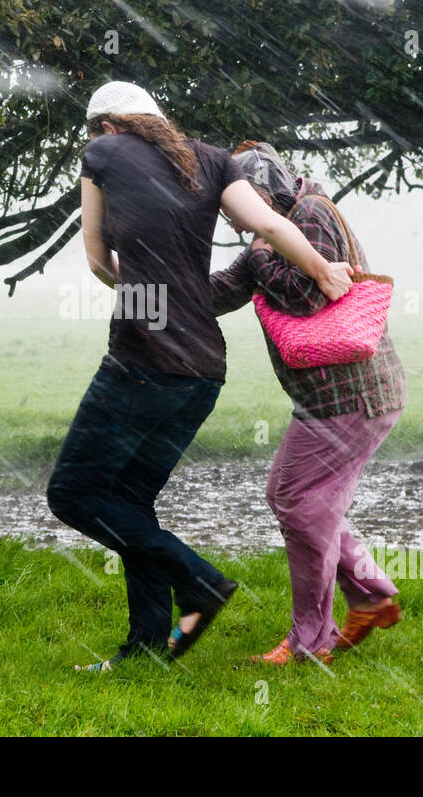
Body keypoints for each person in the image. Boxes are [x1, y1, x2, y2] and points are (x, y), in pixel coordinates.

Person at [47, 85, 355, 672]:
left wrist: (143, 298)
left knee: (72, 493)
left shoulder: (102, 154)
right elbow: (270, 223)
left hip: (141, 361)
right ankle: (144, 647)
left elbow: (93, 258)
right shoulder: (214, 160)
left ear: (107, 126)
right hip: (203, 371)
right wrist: (322, 269)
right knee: (131, 498)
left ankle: (200, 583)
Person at [210, 141, 408, 665]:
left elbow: (309, 294)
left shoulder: (309, 215)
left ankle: (312, 639)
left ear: (263, 191)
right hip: (337, 396)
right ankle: (368, 596)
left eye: (236, 210)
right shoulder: (277, 227)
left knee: (299, 501)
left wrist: (258, 252)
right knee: (291, 496)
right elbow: (227, 289)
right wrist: (150, 285)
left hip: (350, 395)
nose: (235, 225)